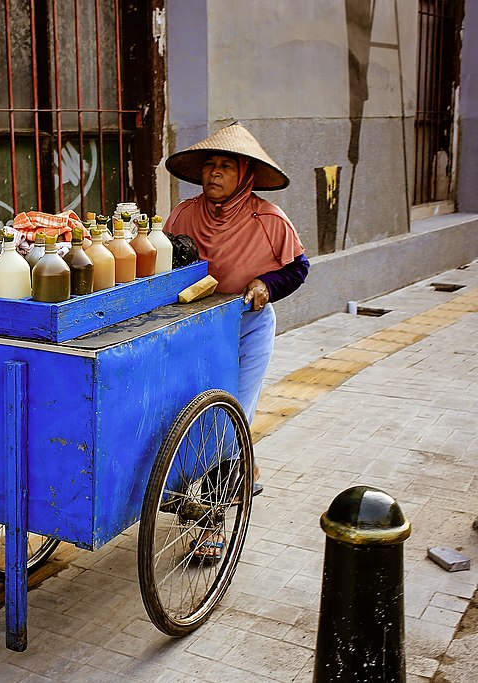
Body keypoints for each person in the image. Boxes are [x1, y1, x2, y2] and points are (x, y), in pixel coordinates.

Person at [164, 122, 309, 561]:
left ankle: (211, 528)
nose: (214, 173)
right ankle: (243, 466)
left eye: (226, 166)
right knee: (190, 414)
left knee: (227, 418)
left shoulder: (269, 219)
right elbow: (165, 259)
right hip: (195, 329)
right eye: (210, 165)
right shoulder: (185, 214)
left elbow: (298, 268)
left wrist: (267, 284)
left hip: (247, 327)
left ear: (245, 174)